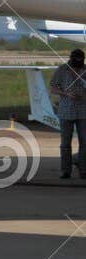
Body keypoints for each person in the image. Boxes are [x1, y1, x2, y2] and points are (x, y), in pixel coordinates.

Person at [50, 45, 86, 179]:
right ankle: (66, 170)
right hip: (66, 111)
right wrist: (66, 94)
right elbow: (53, 88)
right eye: (75, 62)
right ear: (71, 59)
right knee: (65, 143)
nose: (78, 66)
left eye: (80, 62)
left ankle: (83, 170)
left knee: (85, 142)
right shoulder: (62, 70)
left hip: (83, 112)